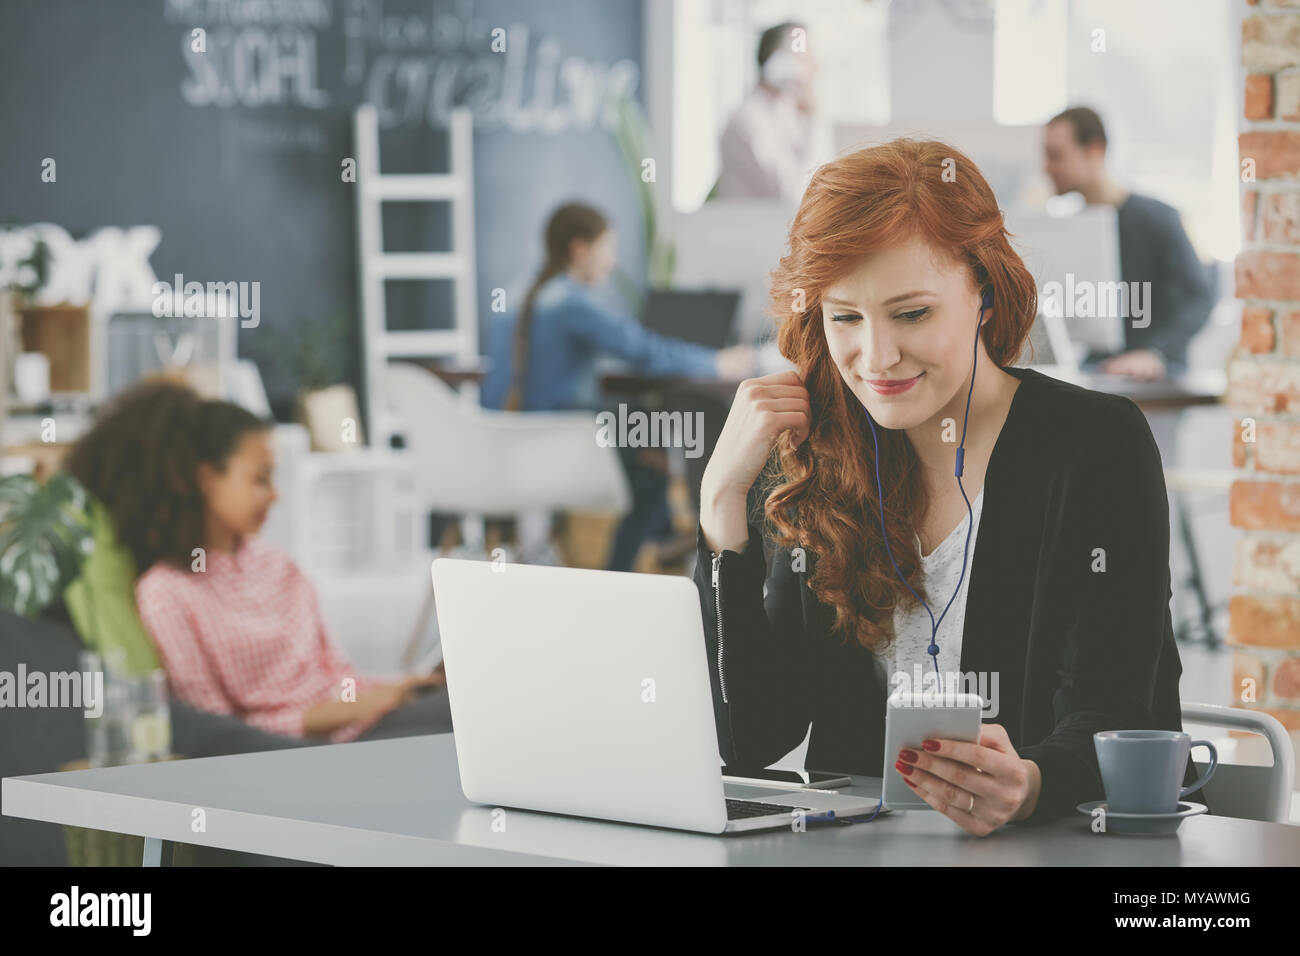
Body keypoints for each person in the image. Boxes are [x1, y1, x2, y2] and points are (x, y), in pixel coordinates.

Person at [695, 139, 1202, 835]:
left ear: (985, 296)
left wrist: (1029, 783)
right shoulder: (823, 453)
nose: (876, 358)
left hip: (1055, 849)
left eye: (911, 314)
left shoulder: (1094, 444)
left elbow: (1117, 710)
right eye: (845, 317)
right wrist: (722, 505)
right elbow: (752, 735)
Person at [64, 378, 449, 745]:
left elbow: (338, 675)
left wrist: (397, 689)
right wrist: (351, 711)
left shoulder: (279, 567)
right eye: (260, 479)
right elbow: (215, 731)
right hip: (313, 748)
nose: (275, 495)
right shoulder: (167, 593)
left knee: (470, 698)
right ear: (206, 479)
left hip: (370, 724)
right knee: (456, 723)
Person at [481, 201, 753, 572]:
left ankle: (667, 546)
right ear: (580, 249)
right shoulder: (573, 302)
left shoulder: (516, 292)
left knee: (642, 443)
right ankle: (624, 573)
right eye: (608, 248)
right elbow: (644, 351)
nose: (611, 262)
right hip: (557, 447)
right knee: (652, 468)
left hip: (501, 447)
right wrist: (717, 362)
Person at [1042, 106, 1216, 380]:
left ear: (1094, 150)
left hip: (1155, 375)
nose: (1047, 167)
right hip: (1099, 369)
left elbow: (1198, 299)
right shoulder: (1070, 231)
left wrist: (1155, 353)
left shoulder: (1159, 218)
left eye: (1056, 156)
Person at [714, 21, 819, 203]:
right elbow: (791, 194)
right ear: (776, 63)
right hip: (748, 226)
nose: (810, 67)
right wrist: (813, 113)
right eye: (802, 58)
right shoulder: (748, 119)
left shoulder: (786, 113)